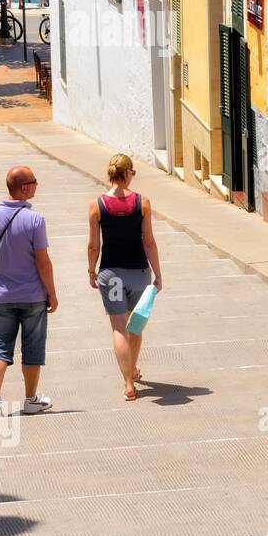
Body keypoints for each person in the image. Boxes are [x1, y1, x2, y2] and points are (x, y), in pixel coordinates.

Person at [0, 166, 57, 417]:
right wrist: (52, 292)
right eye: (34, 182)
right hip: (33, 297)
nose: (37, 186)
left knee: (0, 346)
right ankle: (31, 400)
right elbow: (43, 260)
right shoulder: (35, 219)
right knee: (33, 347)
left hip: (2, 296)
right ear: (25, 188)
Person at [87, 154, 163, 401]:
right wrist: (158, 274)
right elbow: (149, 241)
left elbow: (93, 246)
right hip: (139, 273)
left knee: (119, 328)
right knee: (135, 325)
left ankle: (129, 383)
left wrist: (91, 270)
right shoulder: (143, 203)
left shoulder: (97, 205)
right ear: (128, 173)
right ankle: (132, 368)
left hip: (112, 274)